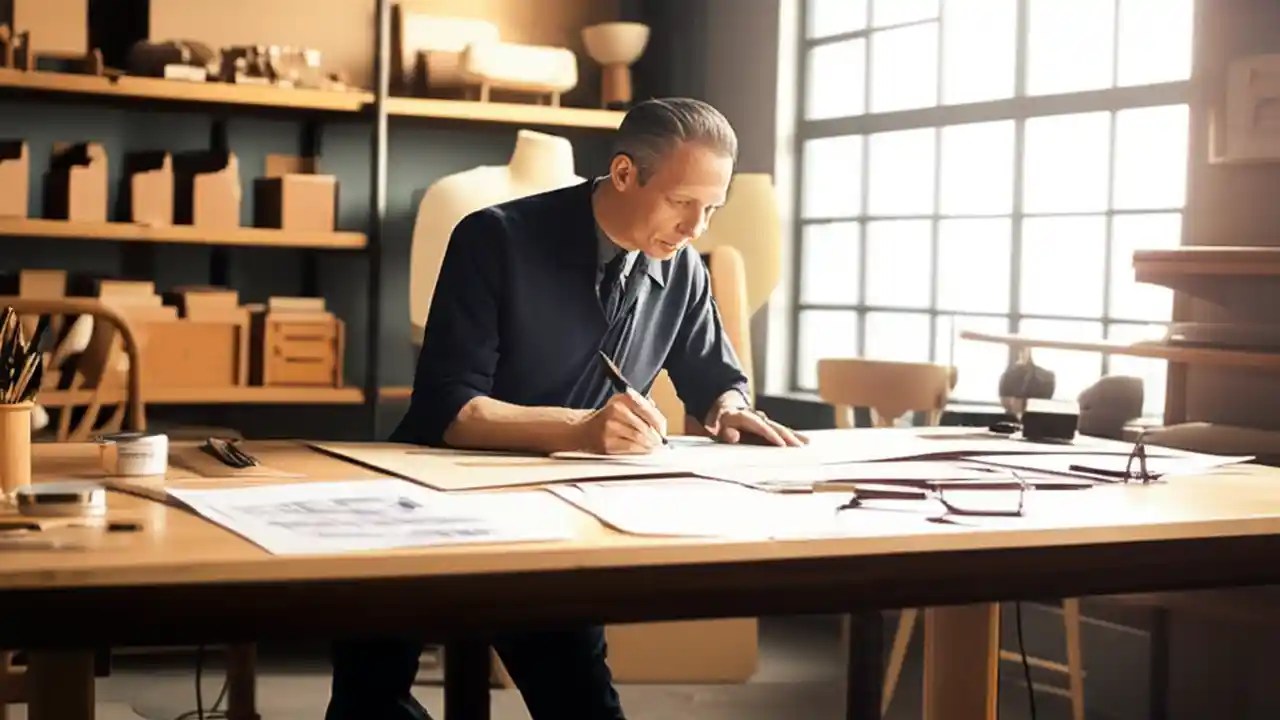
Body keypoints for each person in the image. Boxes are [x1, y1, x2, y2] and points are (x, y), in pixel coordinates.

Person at [325, 97, 806, 720]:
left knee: (583, 706)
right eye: (682, 202)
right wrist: (581, 427)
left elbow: (714, 377)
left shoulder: (682, 267)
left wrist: (728, 406)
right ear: (626, 173)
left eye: (711, 209)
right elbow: (449, 407)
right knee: (368, 703)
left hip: (551, 514)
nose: (695, 228)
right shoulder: (493, 236)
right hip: (425, 502)